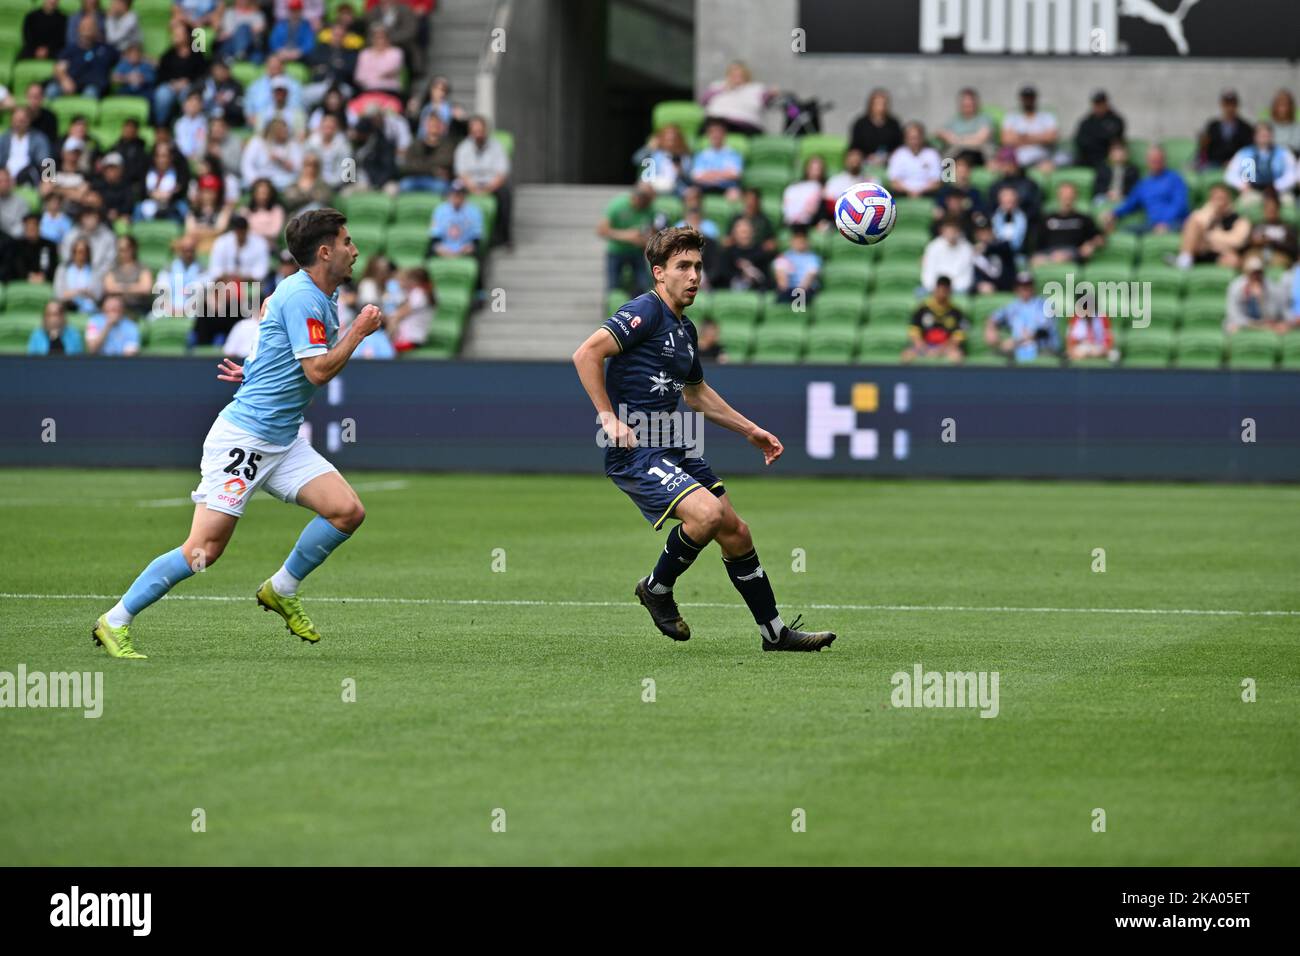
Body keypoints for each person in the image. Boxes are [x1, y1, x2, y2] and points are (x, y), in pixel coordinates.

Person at [92, 208, 384, 659]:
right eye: (347, 241)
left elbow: (275, 334)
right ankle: (115, 620)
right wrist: (359, 331)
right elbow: (319, 370)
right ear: (325, 252)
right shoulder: (305, 297)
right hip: (244, 440)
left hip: (282, 441)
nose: (355, 250)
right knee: (204, 550)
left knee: (346, 511)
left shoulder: (314, 294)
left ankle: (281, 589)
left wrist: (256, 370)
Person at [571, 225, 837, 652]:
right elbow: (586, 353)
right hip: (635, 447)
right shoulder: (645, 310)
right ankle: (656, 588)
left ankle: (775, 634)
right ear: (659, 273)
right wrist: (608, 417)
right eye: (683, 266)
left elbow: (696, 395)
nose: (694, 275)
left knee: (737, 532)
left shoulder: (685, 330)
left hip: (674, 442)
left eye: (697, 266)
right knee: (708, 516)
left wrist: (750, 429)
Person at [1104, 145, 1189, 234]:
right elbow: (1130, 204)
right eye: (1152, 159)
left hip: (1175, 223)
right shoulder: (1143, 184)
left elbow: (1180, 205)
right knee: (1124, 231)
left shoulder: (1175, 179)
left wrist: (1165, 223)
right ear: (1147, 161)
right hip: (1152, 225)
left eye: (1158, 159)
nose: (1155, 162)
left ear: (1164, 160)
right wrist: (1114, 213)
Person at [986, 271, 1060, 362]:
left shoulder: (1044, 304)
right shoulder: (1013, 307)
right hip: (1018, 351)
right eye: (1021, 286)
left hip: (1042, 349)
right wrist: (990, 329)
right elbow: (994, 318)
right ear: (1016, 288)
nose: (1025, 289)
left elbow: (1041, 332)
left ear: (1033, 287)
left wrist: (1015, 342)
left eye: (1028, 285)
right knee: (993, 358)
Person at [1174, 183, 1250, 270]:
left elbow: (1236, 242)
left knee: (1234, 260)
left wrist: (1211, 237)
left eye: (1221, 198)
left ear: (1229, 200)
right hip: (1203, 251)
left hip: (1222, 254)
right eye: (1215, 198)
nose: (1219, 203)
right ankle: (1184, 261)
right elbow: (1194, 224)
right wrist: (1211, 212)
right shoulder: (1206, 215)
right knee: (1193, 225)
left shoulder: (1239, 220)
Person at [1224, 122, 1297, 205]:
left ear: (1272, 136)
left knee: (1289, 202)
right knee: (1243, 205)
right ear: (1254, 136)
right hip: (1252, 190)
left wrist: (1277, 187)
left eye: (1267, 135)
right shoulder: (1244, 153)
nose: (1264, 137)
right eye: (1261, 135)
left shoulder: (1284, 152)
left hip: (1278, 191)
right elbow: (1230, 174)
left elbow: (1292, 174)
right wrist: (1242, 185)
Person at [598, 182, 653, 292]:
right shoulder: (618, 205)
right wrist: (627, 236)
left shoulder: (650, 209)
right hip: (617, 251)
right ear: (638, 198)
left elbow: (653, 231)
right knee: (613, 286)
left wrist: (644, 240)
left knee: (643, 285)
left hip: (637, 252)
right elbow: (601, 230)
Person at [1032, 182, 1103, 265]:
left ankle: (1069, 278)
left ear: (1075, 196)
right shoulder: (1047, 219)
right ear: (1058, 196)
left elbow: (1099, 239)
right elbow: (1038, 245)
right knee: (1035, 261)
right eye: (1064, 194)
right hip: (1049, 253)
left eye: (1070, 195)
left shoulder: (1084, 219)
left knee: (1063, 260)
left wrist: (1090, 244)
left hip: (1073, 253)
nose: (1067, 197)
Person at [903, 276, 968, 364]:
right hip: (924, 347)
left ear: (950, 291)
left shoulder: (956, 312)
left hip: (946, 349)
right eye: (940, 290)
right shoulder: (922, 309)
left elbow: (957, 337)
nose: (942, 294)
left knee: (957, 357)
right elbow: (914, 332)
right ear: (935, 289)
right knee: (907, 355)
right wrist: (924, 348)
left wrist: (940, 350)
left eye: (945, 291)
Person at [699, 61, 775, 135]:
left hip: (745, 123)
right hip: (716, 120)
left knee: (718, 125)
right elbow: (703, 101)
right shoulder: (718, 86)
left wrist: (770, 94)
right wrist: (724, 89)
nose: (736, 77)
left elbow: (766, 100)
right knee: (711, 123)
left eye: (740, 75)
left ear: (746, 75)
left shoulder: (755, 88)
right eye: (733, 74)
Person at [1224, 255, 1291, 334]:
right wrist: (1252, 324)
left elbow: (1273, 314)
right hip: (1244, 324)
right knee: (1232, 328)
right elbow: (1234, 314)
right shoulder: (1235, 286)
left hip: (1266, 324)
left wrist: (1261, 299)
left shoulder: (1272, 287)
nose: (1255, 276)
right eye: (1253, 273)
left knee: (1282, 328)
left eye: (1258, 272)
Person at [1001, 85, 1059, 171]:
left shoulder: (1047, 116)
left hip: (1042, 157)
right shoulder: (1012, 117)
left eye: (1030, 97)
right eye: (1026, 97)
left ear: (1035, 98)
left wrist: (1022, 137)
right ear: (1021, 99)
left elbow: (1051, 138)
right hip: (1018, 159)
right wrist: (1040, 137)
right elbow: (1006, 140)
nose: (1028, 100)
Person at [937, 87, 996, 165]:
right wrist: (970, 138)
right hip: (956, 152)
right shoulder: (954, 120)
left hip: (978, 152)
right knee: (947, 159)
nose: (967, 106)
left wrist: (957, 139)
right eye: (965, 104)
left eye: (970, 103)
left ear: (976, 104)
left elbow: (980, 139)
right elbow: (940, 132)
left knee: (964, 156)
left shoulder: (984, 118)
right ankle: (949, 176)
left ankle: (960, 173)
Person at [887, 122, 944, 198]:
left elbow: (936, 182)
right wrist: (909, 191)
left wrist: (919, 191)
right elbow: (893, 182)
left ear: (922, 138)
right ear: (905, 139)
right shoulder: (898, 154)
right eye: (911, 138)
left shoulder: (932, 154)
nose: (914, 141)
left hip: (927, 193)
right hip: (902, 193)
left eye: (917, 138)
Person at [428, 180, 483, 258]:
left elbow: (476, 238)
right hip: (444, 248)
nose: (457, 197)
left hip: (465, 249)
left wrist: (465, 249)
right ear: (449, 194)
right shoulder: (440, 210)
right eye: (454, 194)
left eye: (460, 194)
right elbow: (435, 237)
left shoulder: (474, 211)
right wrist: (442, 249)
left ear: (465, 195)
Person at [1200, 89, 1254, 168]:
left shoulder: (1245, 128)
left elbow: (1247, 150)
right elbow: (1207, 150)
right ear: (1222, 105)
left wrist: (1233, 162)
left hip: (1238, 164)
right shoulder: (1213, 126)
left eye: (1232, 104)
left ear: (1237, 106)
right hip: (1215, 163)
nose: (1230, 108)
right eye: (1227, 105)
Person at [1073, 90, 1125, 169]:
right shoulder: (1087, 121)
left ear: (1106, 103)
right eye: (1096, 104)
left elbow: (1114, 139)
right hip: (1086, 157)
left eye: (1101, 103)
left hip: (1104, 158)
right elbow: (1079, 140)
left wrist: (1095, 139)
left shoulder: (1115, 120)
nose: (1098, 107)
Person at [849, 88, 902, 165]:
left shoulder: (894, 124)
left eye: (883, 104)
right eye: (877, 104)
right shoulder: (861, 124)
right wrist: (866, 156)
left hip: (889, 162)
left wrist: (888, 156)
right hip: (865, 162)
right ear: (871, 105)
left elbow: (899, 146)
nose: (881, 107)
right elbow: (855, 146)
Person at [922, 217, 974, 293]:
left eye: (954, 231)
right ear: (942, 231)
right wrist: (938, 289)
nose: (951, 234)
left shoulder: (967, 248)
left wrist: (947, 289)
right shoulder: (933, 247)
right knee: (921, 293)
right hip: (934, 289)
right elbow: (928, 274)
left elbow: (967, 279)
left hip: (958, 290)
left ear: (959, 231)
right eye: (948, 231)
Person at [772, 226, 821, 303]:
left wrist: (799, 290)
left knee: (799, 299)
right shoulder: (785, 256)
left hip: (805, 289)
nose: (799, 243)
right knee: (782, 297)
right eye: (797, 240)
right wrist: (785, 290)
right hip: (788, 289)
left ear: (807, 242)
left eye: (802, 241)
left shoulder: (813, 257)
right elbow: (780, 276)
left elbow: (811, 275)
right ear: (792, 241)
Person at [8, 213, 59, 282]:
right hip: (22, 281)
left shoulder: (50, 246)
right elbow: (15, 266)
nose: (31, 229)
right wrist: (28, 276)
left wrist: (44, 276)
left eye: (34, 226)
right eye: (28, 226)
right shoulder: (16, 246)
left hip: (45, 281)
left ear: (39, 227)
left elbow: (53, 267)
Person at [1065, 294, 1115, 362]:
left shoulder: (1102, 318)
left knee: (1114, 355)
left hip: (1099, 347)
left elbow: (1109, 338)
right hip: (1081, 348)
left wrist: (1103, 350)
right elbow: (1070, 341)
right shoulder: (1075, 319)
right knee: (1069, 355)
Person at [1093, 139, 1140, 207]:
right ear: (1110, 154)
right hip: (1105, 196)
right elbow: (1097, 186)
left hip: (1124, 197)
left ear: (1126, 154)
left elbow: (1135, 188)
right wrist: (1108, 193)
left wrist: (1121, 194)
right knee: (1097, 201)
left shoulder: (1133, 170)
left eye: (1121, 151)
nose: (1118, 155)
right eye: (1115, 152)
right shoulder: (1103, 169)